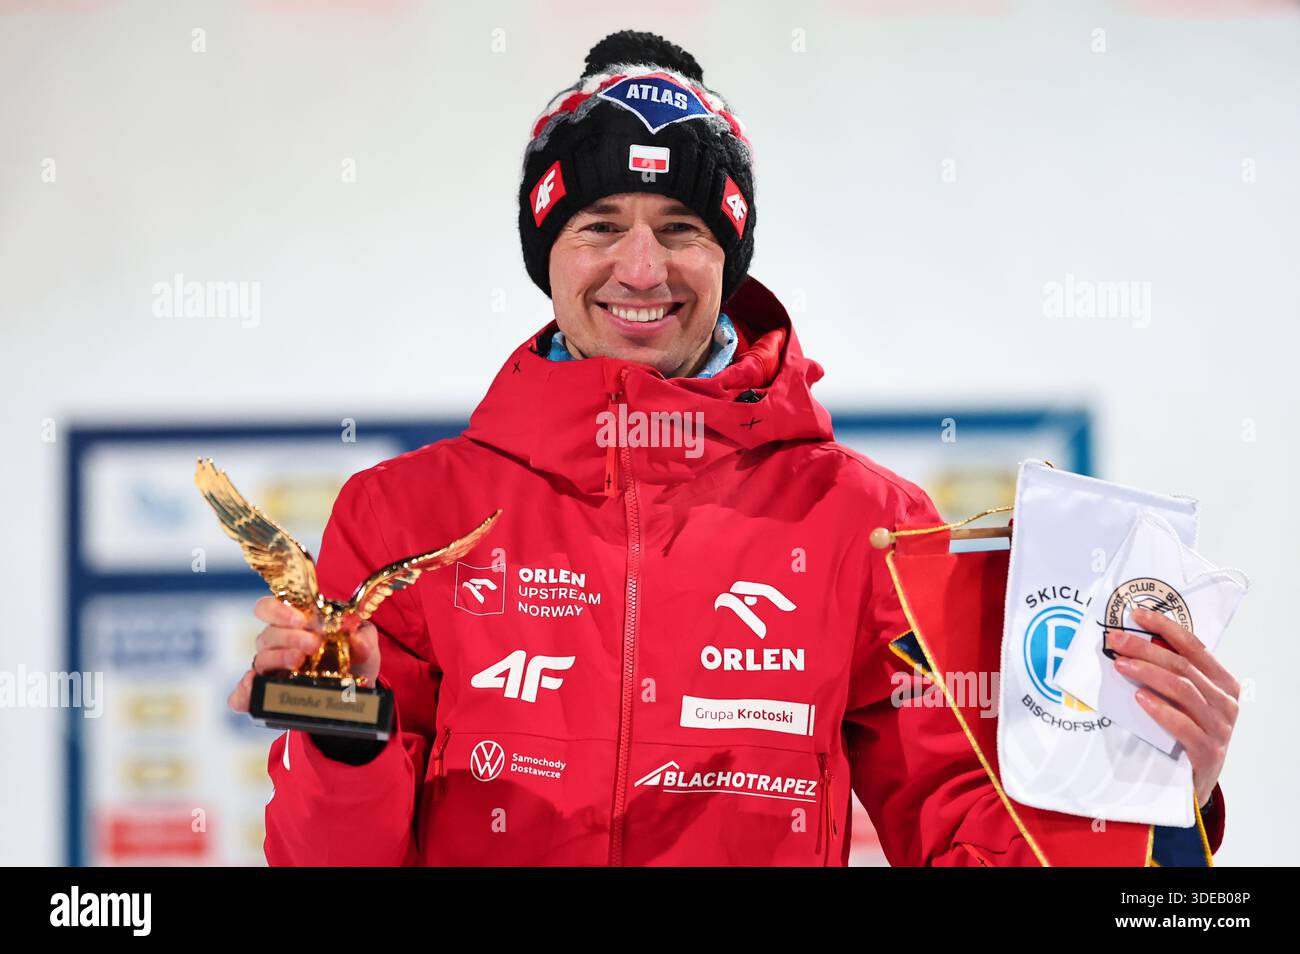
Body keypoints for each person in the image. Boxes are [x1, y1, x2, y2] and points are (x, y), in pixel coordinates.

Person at [229, 30, 1235, 866]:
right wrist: (341, 733)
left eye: (681, 227)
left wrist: (1150, 799)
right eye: (598, 223)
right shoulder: (403, 516)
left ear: (728, 253)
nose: (640, 266)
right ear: (547, 252)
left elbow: (966, 840)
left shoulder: (869, 524)